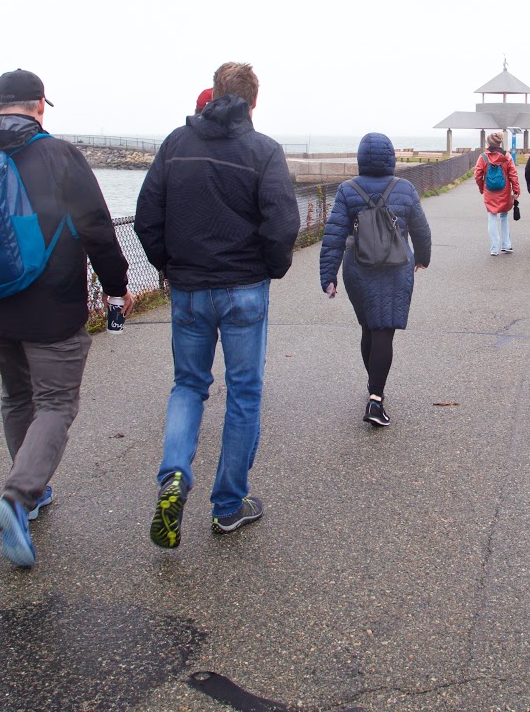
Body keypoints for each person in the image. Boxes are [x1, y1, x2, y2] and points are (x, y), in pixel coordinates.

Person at [0, 69, 134, 568]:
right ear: (40, 105)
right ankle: (19, 497)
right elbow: (97, 229)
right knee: (57, 402)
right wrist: (115, 289)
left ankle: (33, 495)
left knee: (17, 396)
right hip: (53, 304)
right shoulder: (59, 155)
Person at [134, 62, 300, 548]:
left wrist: (169, 263)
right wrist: (270, 266)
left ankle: (174, 474)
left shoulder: (175, 144)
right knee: (244, 393)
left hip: (188, 288)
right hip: (244, 286)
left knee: (188, 385)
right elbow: (282, 221)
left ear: (212, 92)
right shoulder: (263, 150)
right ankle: (228, 506)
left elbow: (148, 215)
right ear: (253, 101)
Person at [319, 133, 433, 427]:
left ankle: (373, 388)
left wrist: (328, 276)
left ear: (360, 158)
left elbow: (333, 236)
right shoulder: (405, 188)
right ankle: (376, 398)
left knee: (369, 326)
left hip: (358, 268)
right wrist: (422, 257)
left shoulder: (348, 190)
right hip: (396, 268)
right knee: (384, 329)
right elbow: (421, 229)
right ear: (391, 158)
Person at [473, 132, 521, 255]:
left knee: (492, 217)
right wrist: (516, 189)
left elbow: (478, 175)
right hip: (504, 190)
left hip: (489, 191)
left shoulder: (483, 157)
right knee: (504, 217)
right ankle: (507, 245)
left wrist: (481, 187)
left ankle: (494, 248)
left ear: (488, 143)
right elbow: (513, 174)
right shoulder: (507, 156)